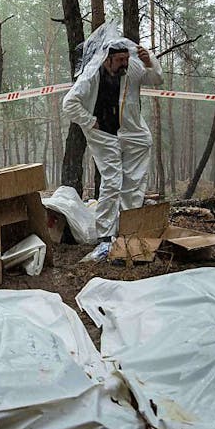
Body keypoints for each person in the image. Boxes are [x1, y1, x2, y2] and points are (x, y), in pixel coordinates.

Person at [61, 29, 163, 261]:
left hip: (131, 131)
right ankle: (105, 236)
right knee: (112, 181)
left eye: (126, 59)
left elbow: (156, 79)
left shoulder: (133, 68)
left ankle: (127, 232)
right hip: (102, 134)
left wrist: (150, 62)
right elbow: (69, 104)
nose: (124, 64)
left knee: (133, 183)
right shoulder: (91, 75)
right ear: (107, 59)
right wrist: (90, 121)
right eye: (119, 60)